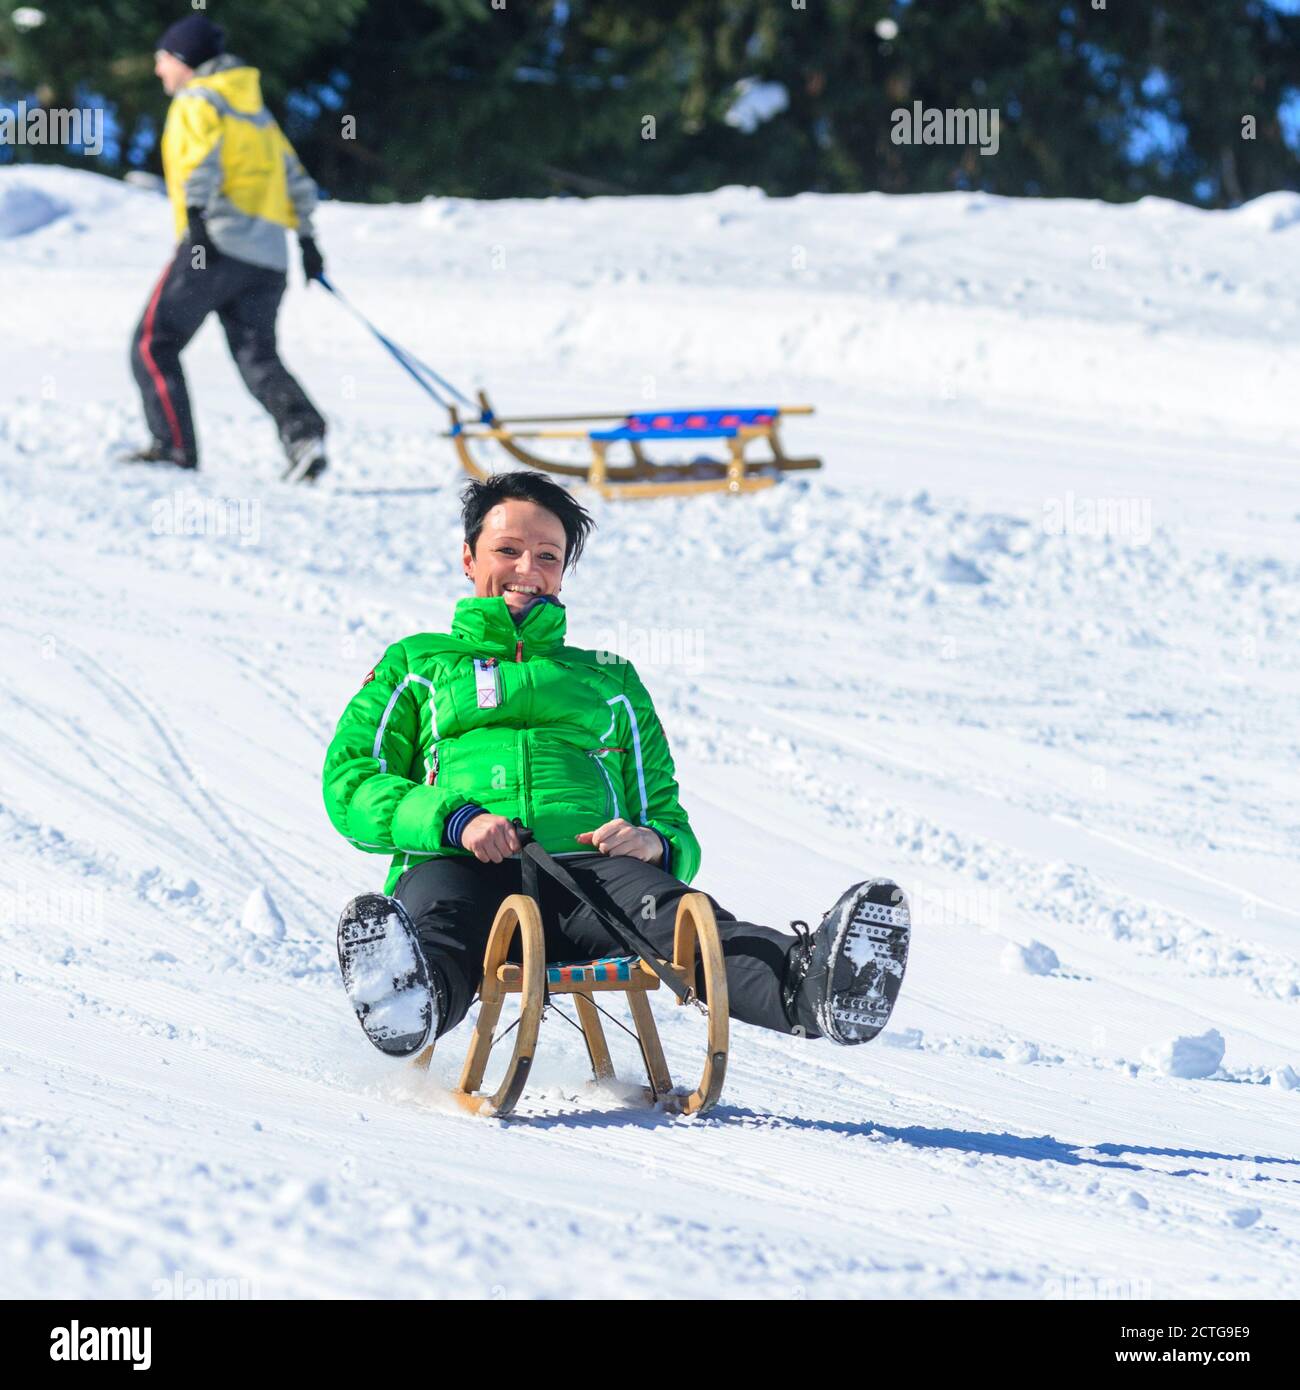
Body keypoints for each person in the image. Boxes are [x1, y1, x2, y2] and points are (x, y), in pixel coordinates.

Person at [321, 471, 911, 1061]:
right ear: (469, 559)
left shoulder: (610, 679)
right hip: (459, 859)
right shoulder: (417, 663)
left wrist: (655, 842)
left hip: (585, 873)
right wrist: (452, 819)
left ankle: (810, 988)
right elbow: (351, 783)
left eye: (547, 555)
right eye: (507, 550)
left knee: (684, 918)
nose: (527, 569)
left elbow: (663, 809)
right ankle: (409, 997)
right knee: (444, 925)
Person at [125, 16, 329, 483]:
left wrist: (196, 221)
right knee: (256, 354)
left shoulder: (197, 100)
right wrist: (307, 240)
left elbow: (200, 161)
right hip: (269, 256)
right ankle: (304, 434)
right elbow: (297, 179)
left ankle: (173, 447)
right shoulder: (255, 110)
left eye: (163, 59)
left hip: (215, 243)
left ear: (182, 60)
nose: (159, 70)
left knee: (152, 343)